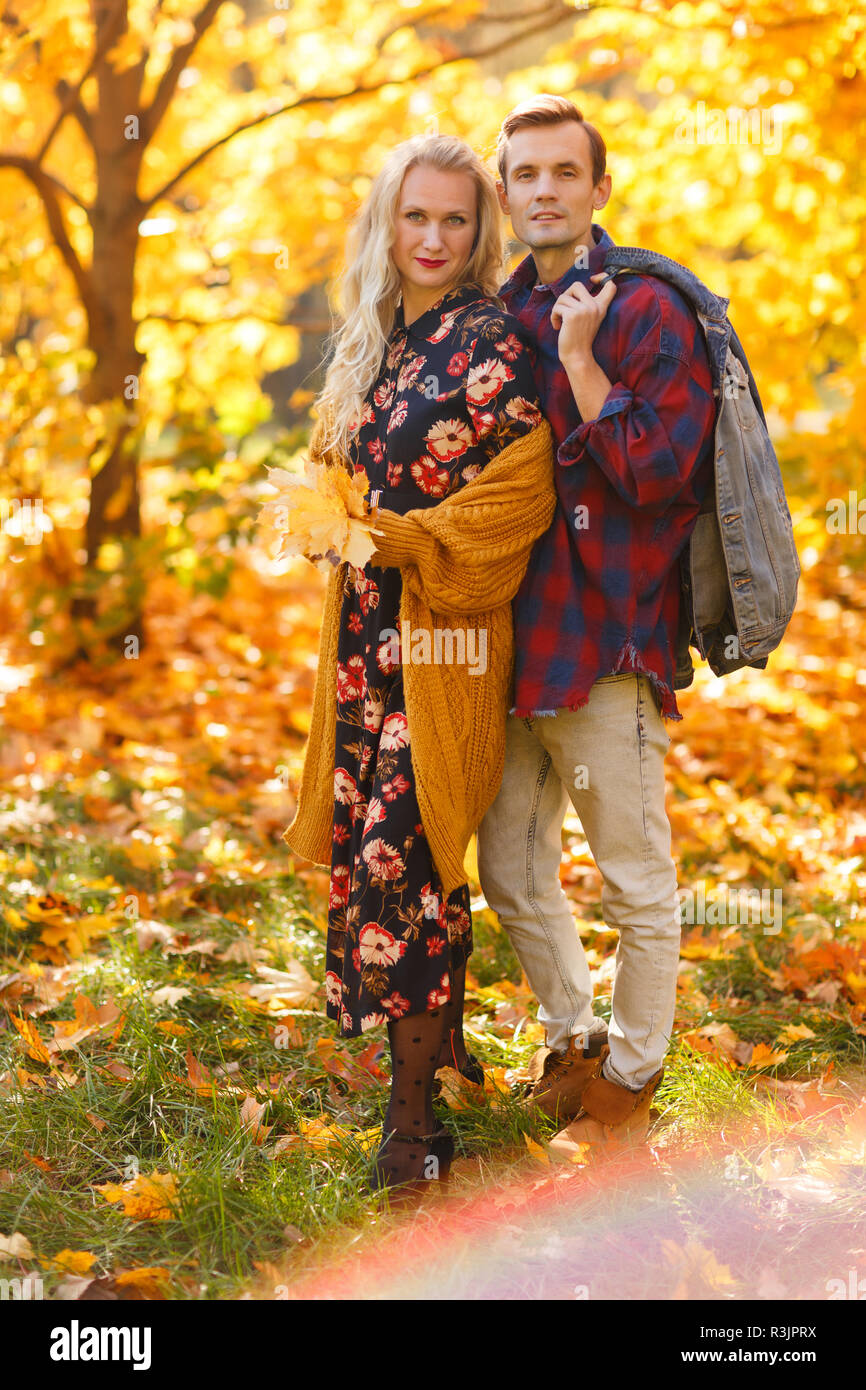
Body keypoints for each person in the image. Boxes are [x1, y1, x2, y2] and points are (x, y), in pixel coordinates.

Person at [282, 133, 556, 1194]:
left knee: (410, 848)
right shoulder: (378, 339)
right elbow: (347, 471)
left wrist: (398, 540)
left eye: (453, 219)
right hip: (364, 642)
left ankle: (415, 1125)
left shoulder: (492, 342)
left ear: (477, 229)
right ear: (386, 226)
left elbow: (514, 506)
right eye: (415, 217)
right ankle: (435, 1043)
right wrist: (323, 511)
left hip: (442, 643)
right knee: (380, 849)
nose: (433, 238)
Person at [477, 95, 717, 1152]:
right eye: (523, 175)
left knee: (632, 879)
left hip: (608, 644)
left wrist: (581, 364)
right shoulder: (496, 311)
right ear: (504, 192)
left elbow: (657, 474)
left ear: (596, 189)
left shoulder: (646, 311)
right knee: (510, 868)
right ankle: (570, 1043)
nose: (542, 191)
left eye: (561, 173)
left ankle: (628, 1080)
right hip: (509, 644)